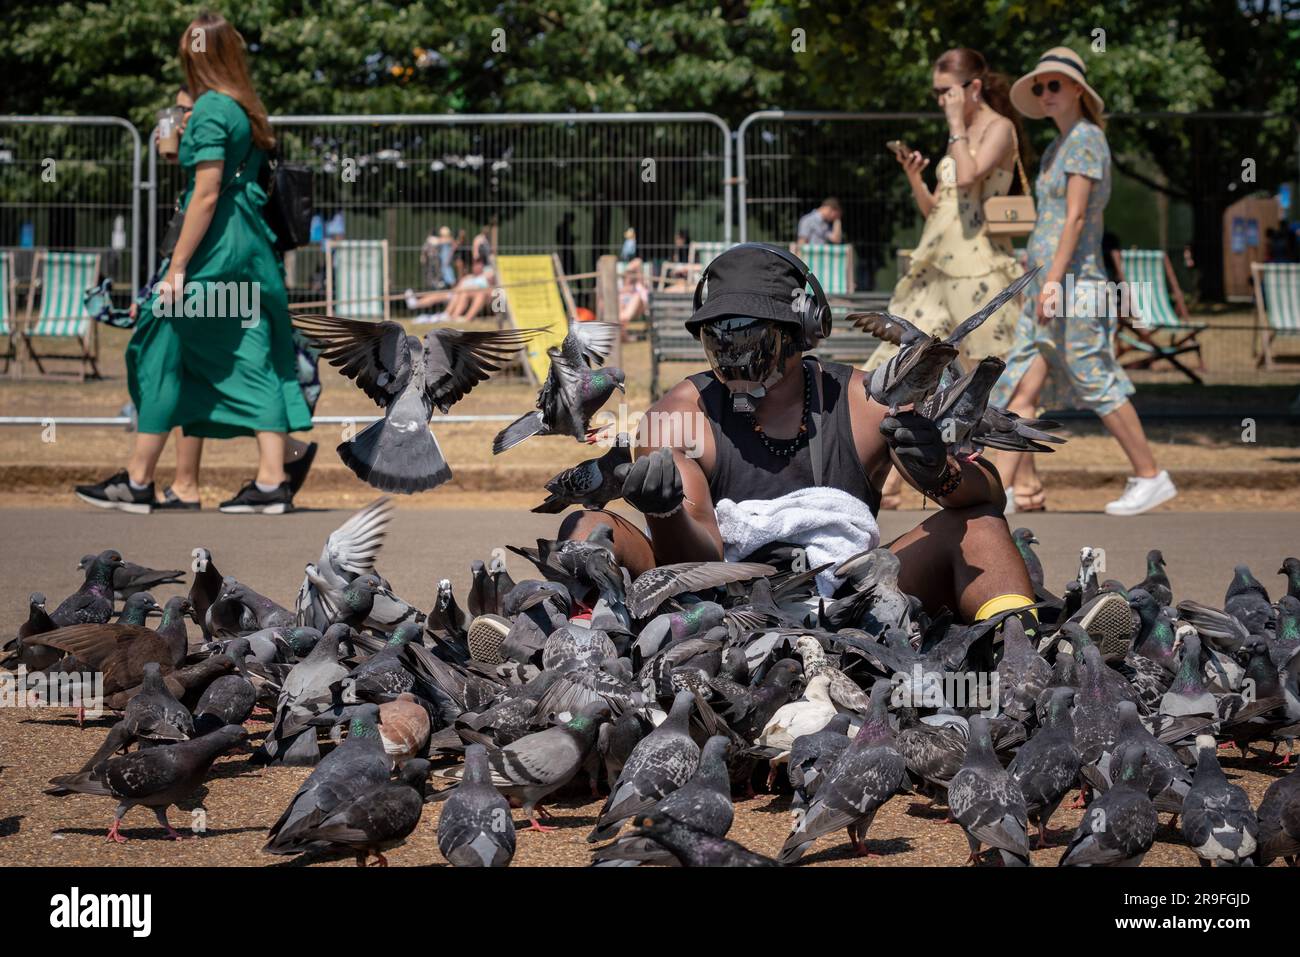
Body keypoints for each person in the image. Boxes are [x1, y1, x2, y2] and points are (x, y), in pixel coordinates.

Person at [558, 244, 1036, 626]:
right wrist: (664, 514)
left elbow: (988, 493)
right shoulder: (679, 416)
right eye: (717, 339)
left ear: (805, 330)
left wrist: (942, 472)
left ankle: (1017, 650)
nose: (732, 356)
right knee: (586, 529)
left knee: (981, 527)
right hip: (720, 606)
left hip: (856, 596)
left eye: (749, 338)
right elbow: (694, 567)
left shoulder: (863, 400)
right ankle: (582, 645)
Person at [76, 13, 313, 515]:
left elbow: (205, 195)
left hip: (214, 251)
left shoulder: (209, 111)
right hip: (249, 248)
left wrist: (177, 267)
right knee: (246, 352)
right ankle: (269, 482)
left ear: (196, 58)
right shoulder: (242, 108)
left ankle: (140, 481)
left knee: (158, 341)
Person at [990, 47, 1175, 516]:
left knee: (1097, 378)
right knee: (1020, 387)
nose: (1046, 93)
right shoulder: (1059, 145)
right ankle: (1000, 492)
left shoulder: (1087, 139)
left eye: (1055, 84)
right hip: (1048, 287)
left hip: (1074, 287)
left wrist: (1052, 283)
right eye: (1039, 87)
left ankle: (1151, 476)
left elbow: (1074, 220)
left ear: (1077, 89)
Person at [869, 48, 1027, 509]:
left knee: (984, 369)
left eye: (947, 91)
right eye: (937, 93)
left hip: (977, 267)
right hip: (937, 266)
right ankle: (891, 474)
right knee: (904, 360)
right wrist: (915, 178)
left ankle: (1016, 481)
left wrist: (958, 123)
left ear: (973, 86)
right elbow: (938, 207)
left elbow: (973, 175)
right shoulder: (958, 137)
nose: (940, 100)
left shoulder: (999, 127)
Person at [618, 257, 650, 334]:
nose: (630, 275)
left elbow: (638, 261)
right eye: (628, 273)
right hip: (621, 308)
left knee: (637, 296)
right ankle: (622, 323)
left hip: (636, 308)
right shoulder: (619, 286)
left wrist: (629, 269)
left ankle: (623, 319)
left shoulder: (638, 286)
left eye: (632, 273)